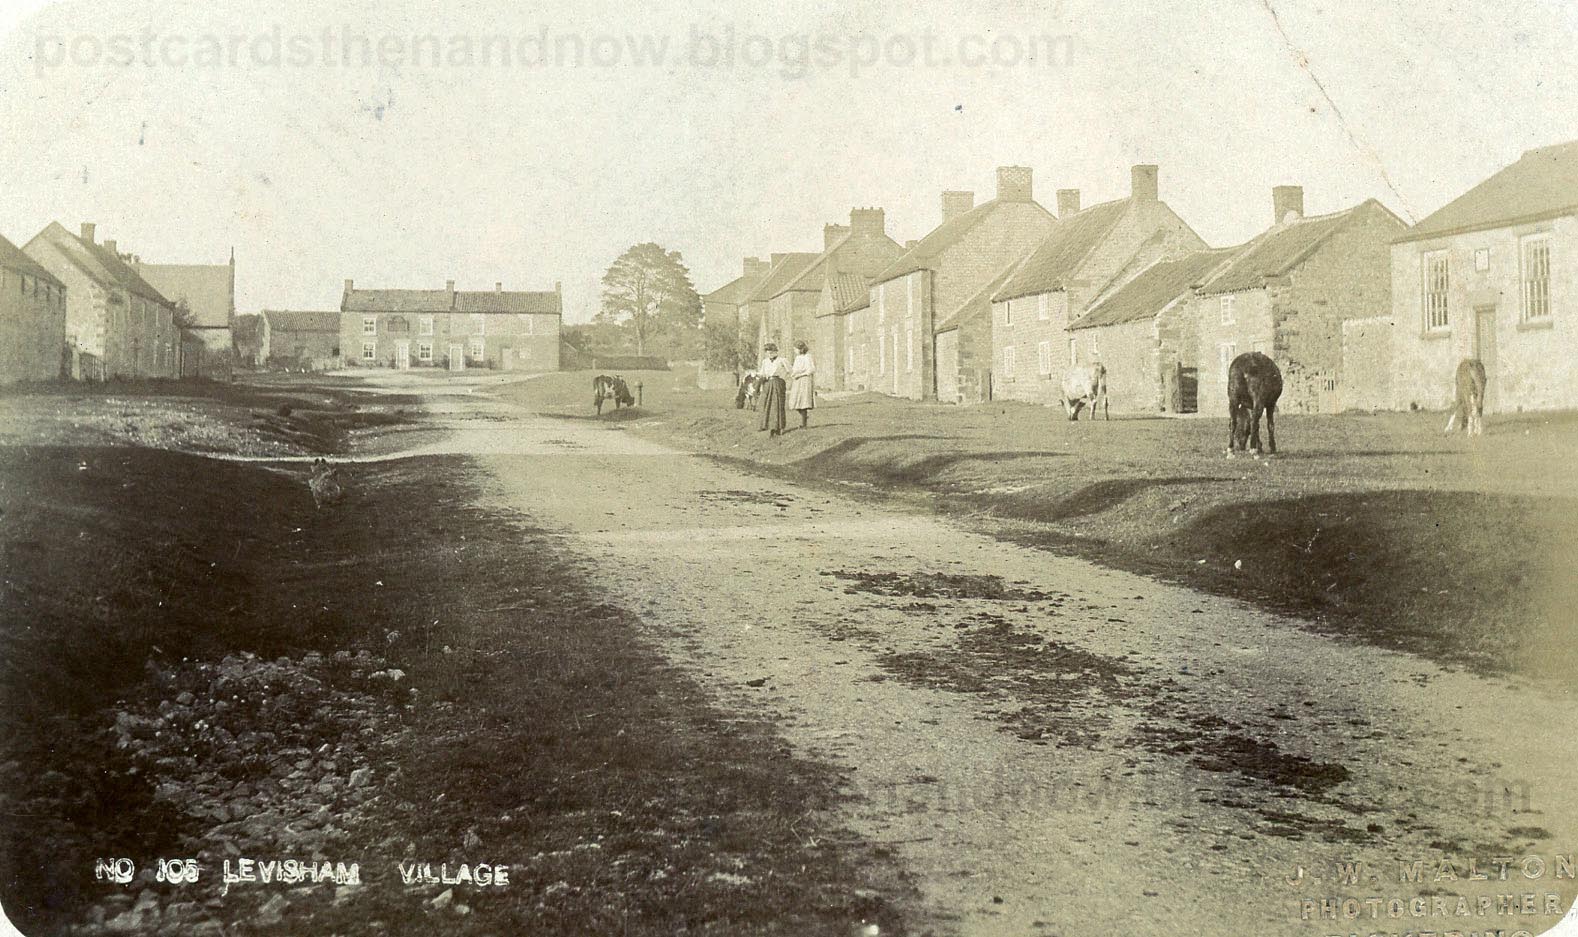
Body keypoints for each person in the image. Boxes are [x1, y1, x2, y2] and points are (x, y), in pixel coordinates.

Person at [757, 343, 789, 436]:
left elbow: (790, 371)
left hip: (778, 383)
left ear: (776, 352)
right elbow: (762, 372)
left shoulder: (782, 360)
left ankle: (778, 427)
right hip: (768, 384)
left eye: (771, 352)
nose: (769, 354)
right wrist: (760, 376)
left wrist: (783, 378)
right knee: (767, 405)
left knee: (777, 405)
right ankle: (769, 426)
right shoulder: (765, 361)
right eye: (768, 353)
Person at [788, 340, 816, 429]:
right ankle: (804, 417)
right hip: (797, 380)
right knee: (795, 401)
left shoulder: (807, 357)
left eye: (796, 349)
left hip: (805, 380)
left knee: (803, 401)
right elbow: (795, 369)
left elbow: (810, 370)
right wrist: (793, 374)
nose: (794, 351)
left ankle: (804, 423)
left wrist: (800, 374)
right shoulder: (797, 358)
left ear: (801, 349)